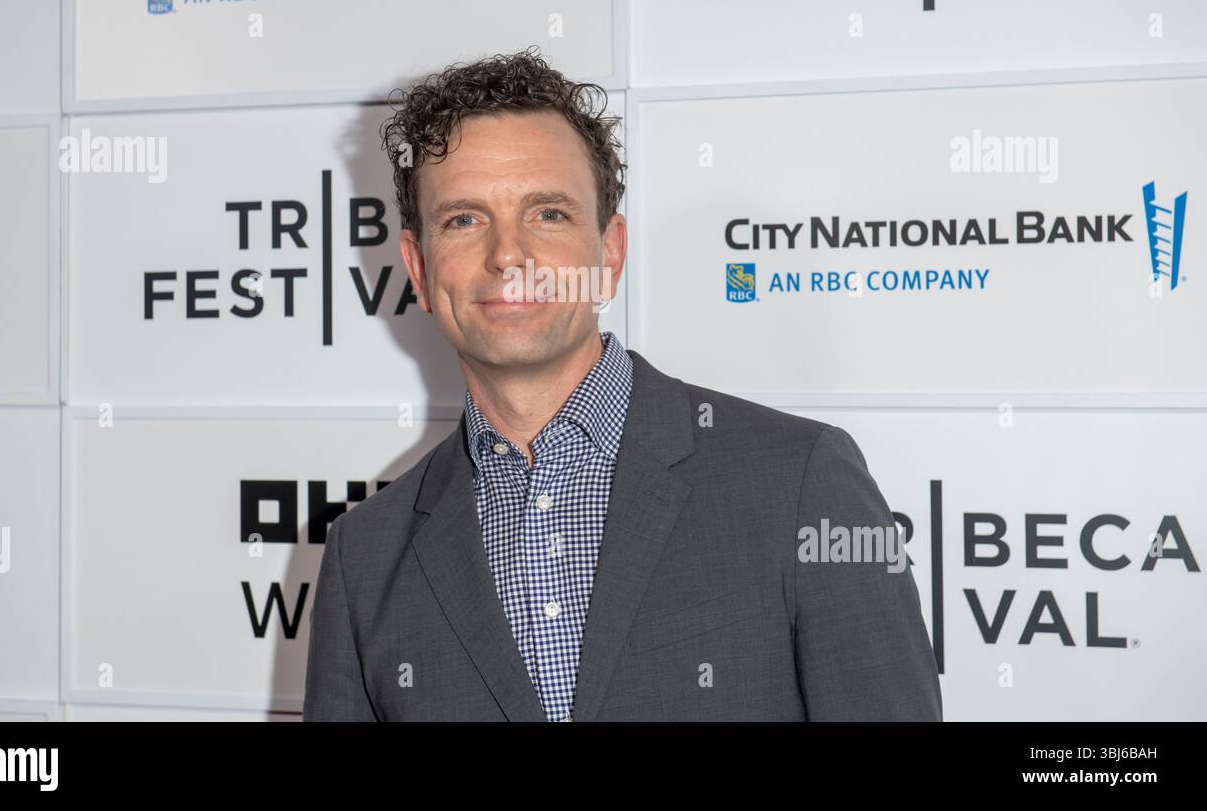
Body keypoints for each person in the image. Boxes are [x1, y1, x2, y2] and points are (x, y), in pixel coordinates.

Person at [303, 47, 941, 721]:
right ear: (420, 269)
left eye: (548, 214)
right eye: (464, 219)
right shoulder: (366, 557)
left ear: (608, 255)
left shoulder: (798, 483)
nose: (507, 255)